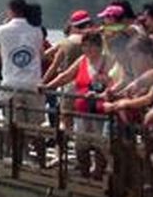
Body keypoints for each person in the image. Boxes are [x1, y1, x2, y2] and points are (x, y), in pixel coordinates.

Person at [42, 31, 110, 178]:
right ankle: (84, 173)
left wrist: (105, 82)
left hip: (100, 110)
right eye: (85, 46)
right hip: (81, 109)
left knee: (100, 143)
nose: (88, 50)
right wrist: (48, 86)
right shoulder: (82, 60)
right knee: (81, 143)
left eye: (92, 46)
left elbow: (115, 82)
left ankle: (98, 173)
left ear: (99, 46)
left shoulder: (107, 61)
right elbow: (66, 76)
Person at [0, 0, 45, 126]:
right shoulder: (37, 30)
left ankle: (17, 146)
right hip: (33, 83)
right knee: (35, 127)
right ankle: (37, 146)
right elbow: (40, 53)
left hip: (11, 84)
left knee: (13, 126)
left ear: (10, 10)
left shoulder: (3, 30)